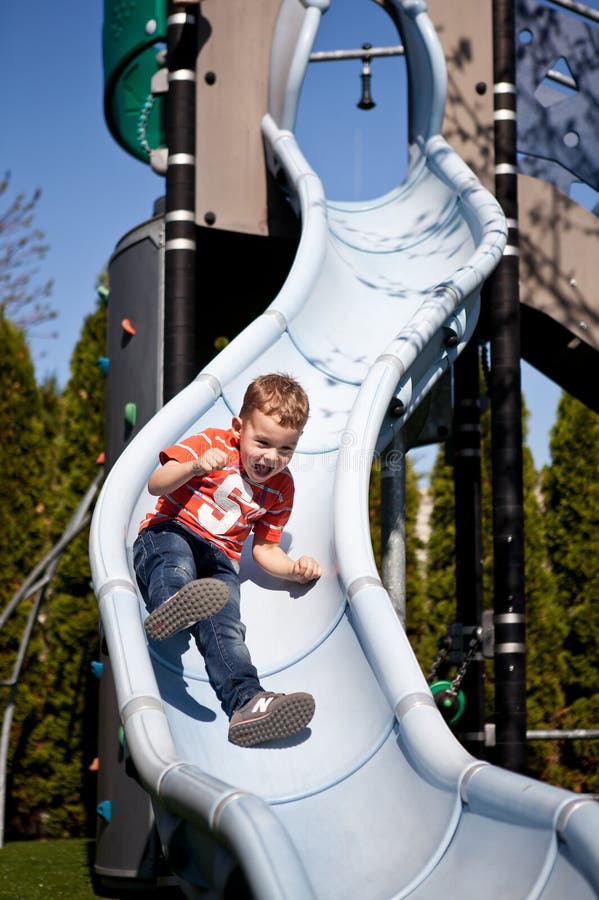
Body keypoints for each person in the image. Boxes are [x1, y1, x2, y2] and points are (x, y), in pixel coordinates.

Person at [133, 372, 322, 747]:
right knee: (175, 564)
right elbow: (156, 483)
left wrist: (294, 570)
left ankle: (246, 703)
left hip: (220, 561)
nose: (271, 457)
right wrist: (194, 467)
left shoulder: (282, 489)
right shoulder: (212, 443)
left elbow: (265, 549)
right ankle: (169, 604)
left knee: (227, 628)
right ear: (239, 428)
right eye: (263, 442)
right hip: (169, 531)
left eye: (286, 450)